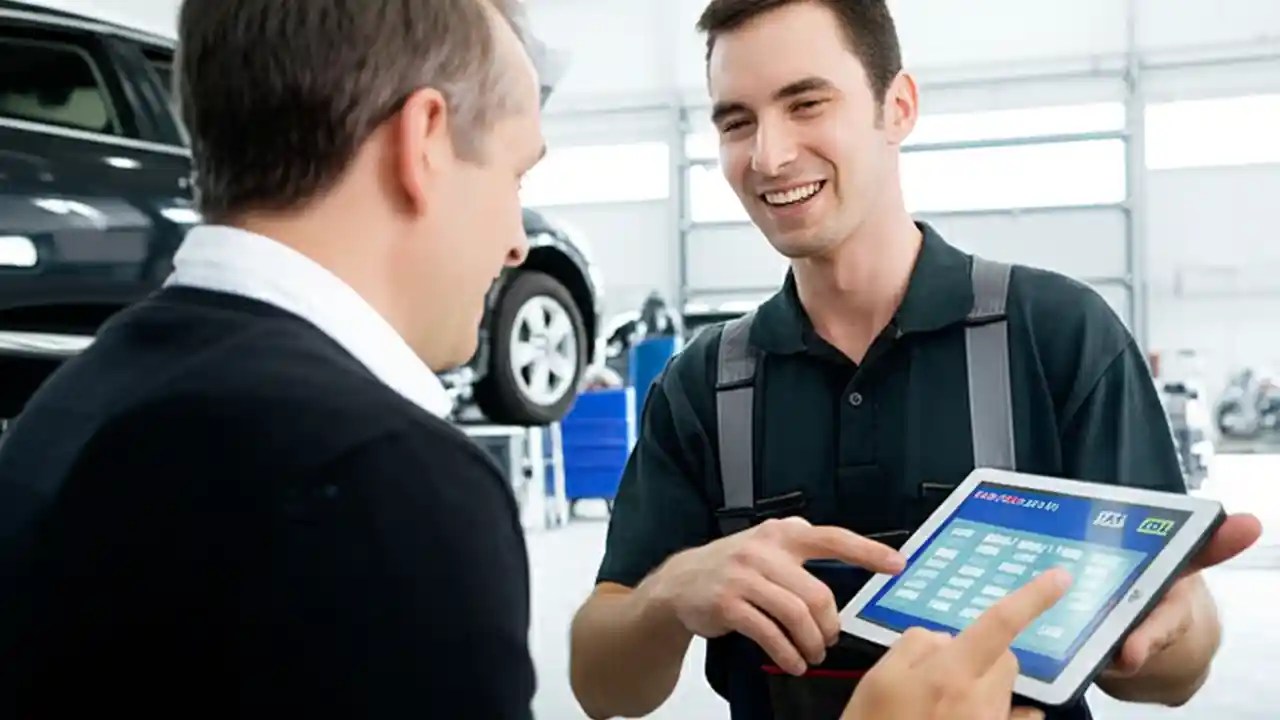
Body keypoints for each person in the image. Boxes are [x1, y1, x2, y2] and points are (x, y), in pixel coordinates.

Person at [568, 1, 1262, 719]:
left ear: (897, 107)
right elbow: (602, 686)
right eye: (736, 121)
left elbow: (1169, 674)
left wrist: (1176, 625)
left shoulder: (1057, 337)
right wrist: (672, 590)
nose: (768, 156)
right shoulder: (702, 387)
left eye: (806, 103)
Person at [0, 0, 548, 717]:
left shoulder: (71, 407)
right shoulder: (383, 480)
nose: (518, 242)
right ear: (426, 142)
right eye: (515, 176)